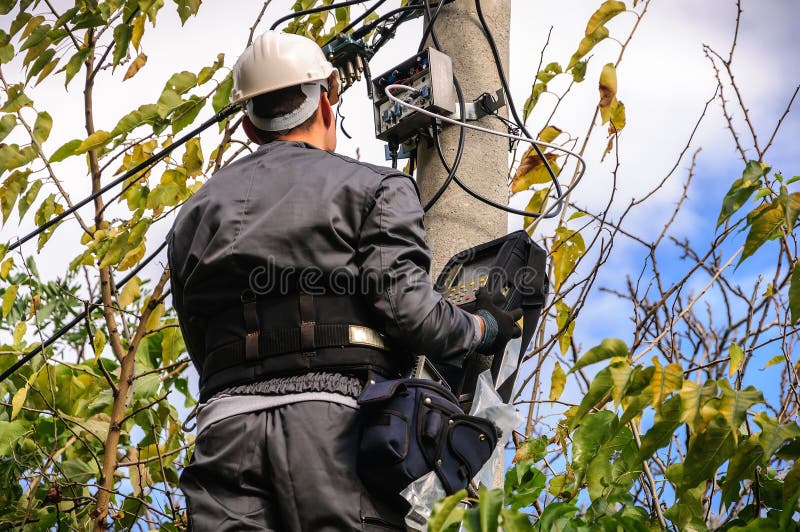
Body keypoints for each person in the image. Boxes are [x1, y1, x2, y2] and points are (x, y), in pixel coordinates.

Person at [167, 30, 522, 531]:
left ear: (249, 126)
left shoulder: (193, 214)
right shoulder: (374, 187)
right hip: (332, 430)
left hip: (224, 430)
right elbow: (408, 311)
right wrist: (483, 327)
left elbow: (198, 338)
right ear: (326, 105)